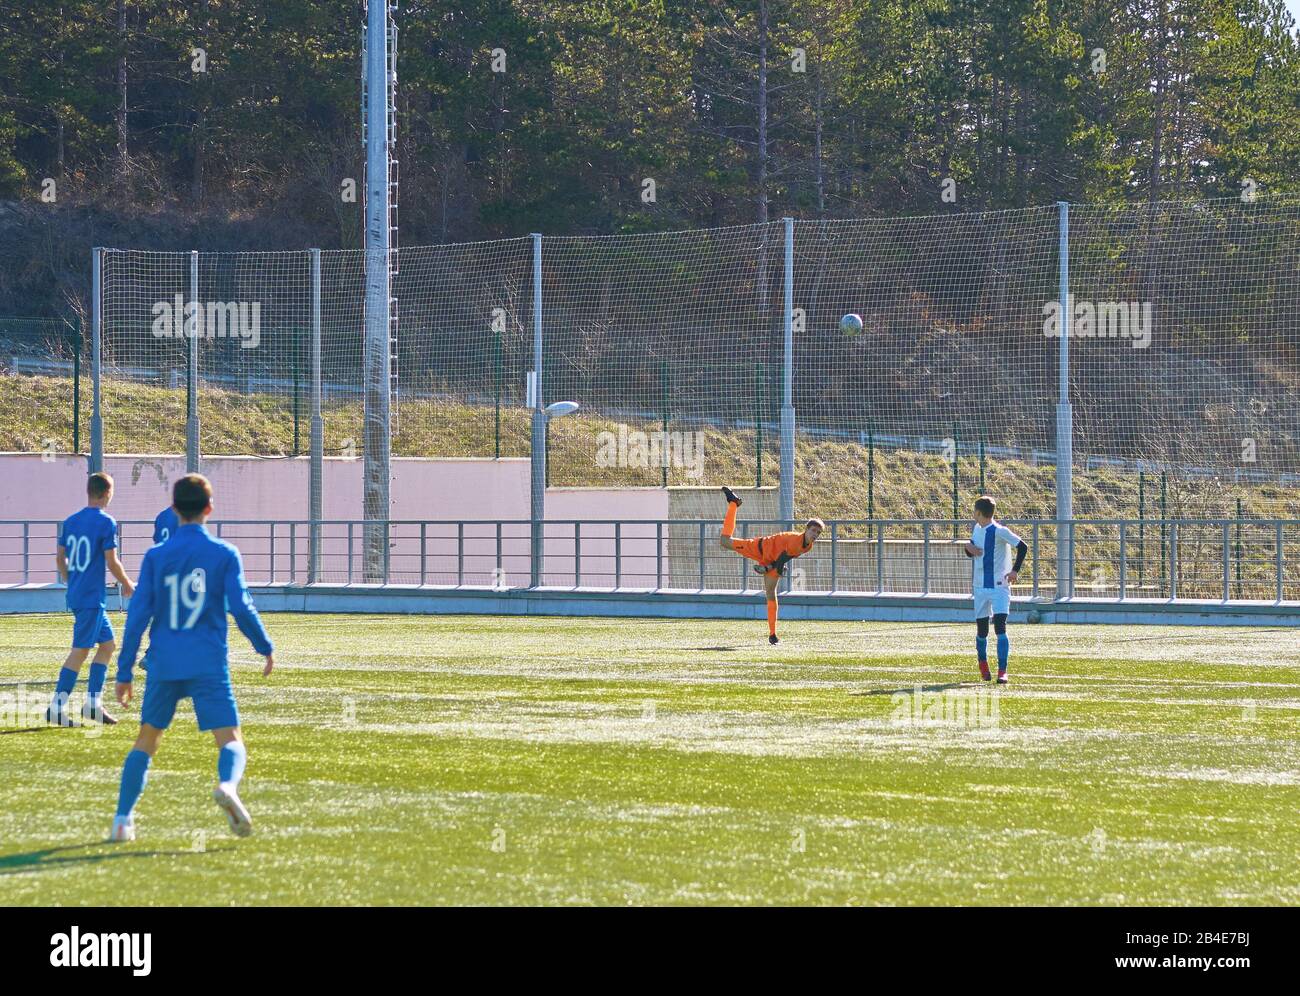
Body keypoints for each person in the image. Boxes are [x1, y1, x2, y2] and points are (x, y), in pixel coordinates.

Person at [109, 473, 274, 842]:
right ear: (209, 509)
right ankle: (228, 786)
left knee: (147, 739)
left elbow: (138, 616)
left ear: (173, 509)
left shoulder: (156, 556)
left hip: (164, 661)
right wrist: (263, 646)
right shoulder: (224, 554)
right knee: (230, 738)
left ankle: (122, 819)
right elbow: (241, 606)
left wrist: (124, 671)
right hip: (207, 661)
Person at [49, 472, 135, 726]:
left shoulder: (71, 520)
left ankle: (93, 705)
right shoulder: (106, 522)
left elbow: (59, 558)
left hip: (79, 593)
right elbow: (111, 560)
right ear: (107, 492)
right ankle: (56, 707)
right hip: (90, 597)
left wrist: (69, 579)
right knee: (80, 651)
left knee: (108, 646)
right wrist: (128, 583)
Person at [717, 485, 823, 644]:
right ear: (806, 529)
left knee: (770, 593)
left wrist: (770, 567)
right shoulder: (797, 541)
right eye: (813, 530)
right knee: (725, 542)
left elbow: (784, 558)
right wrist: (771, 567)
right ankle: (733, 503)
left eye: (818, 533)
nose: (815, 535)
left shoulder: (808, 545)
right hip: (761, 548)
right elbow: (783, 559)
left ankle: (773, 634)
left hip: (771, 560)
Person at [963, 495, 1028, 684]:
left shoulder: (1000, 531)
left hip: (999, 586)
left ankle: (1002, 671)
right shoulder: (977, 528)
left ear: (978, 513)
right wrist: (968, 549)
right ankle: (983, 663)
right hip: (980, 586)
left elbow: (1023, 546)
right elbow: (975, 549)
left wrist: (1015, 570)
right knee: (982, 630)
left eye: (974, 512)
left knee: (1000, 626)